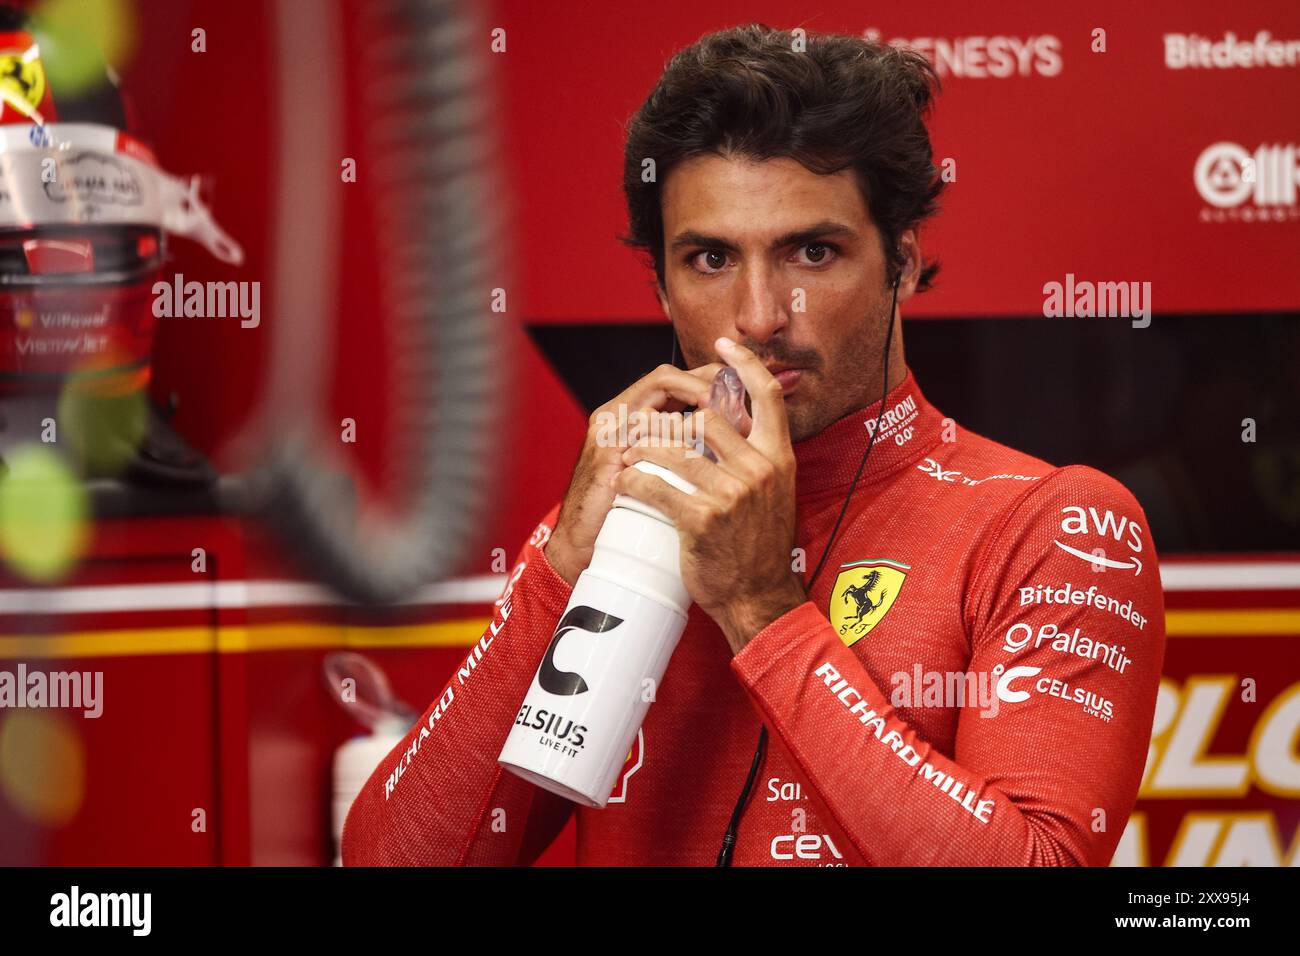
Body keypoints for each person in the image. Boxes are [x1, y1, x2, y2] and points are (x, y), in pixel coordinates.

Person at [342, 23, 1165, 867]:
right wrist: (558, 574)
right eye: (709, 259)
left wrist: (762, 611)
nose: (762, 315)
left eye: (813, 252)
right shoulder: (629, 519)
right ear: (661, 286)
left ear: (904, 263)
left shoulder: (1054, 526)